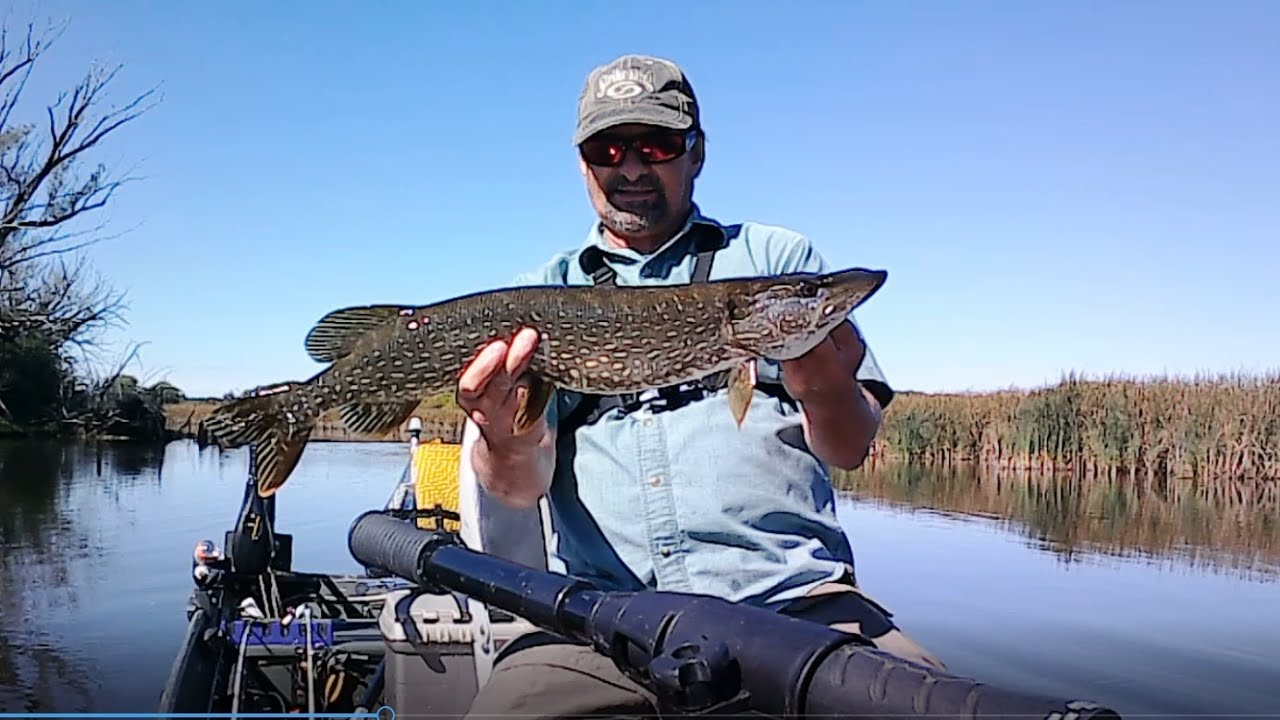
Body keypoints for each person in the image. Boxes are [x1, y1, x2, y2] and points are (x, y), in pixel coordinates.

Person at [455, 53, 943, 719]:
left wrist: (825, 386)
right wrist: (500, 435)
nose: (630, 167)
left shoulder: (773, 261)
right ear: (582, 163)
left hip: (797, 606)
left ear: (696, 153)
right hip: (602, 623)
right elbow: (517, 488)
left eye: (655, 144)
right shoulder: (546, 297)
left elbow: (851, 446)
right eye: (608, 148)